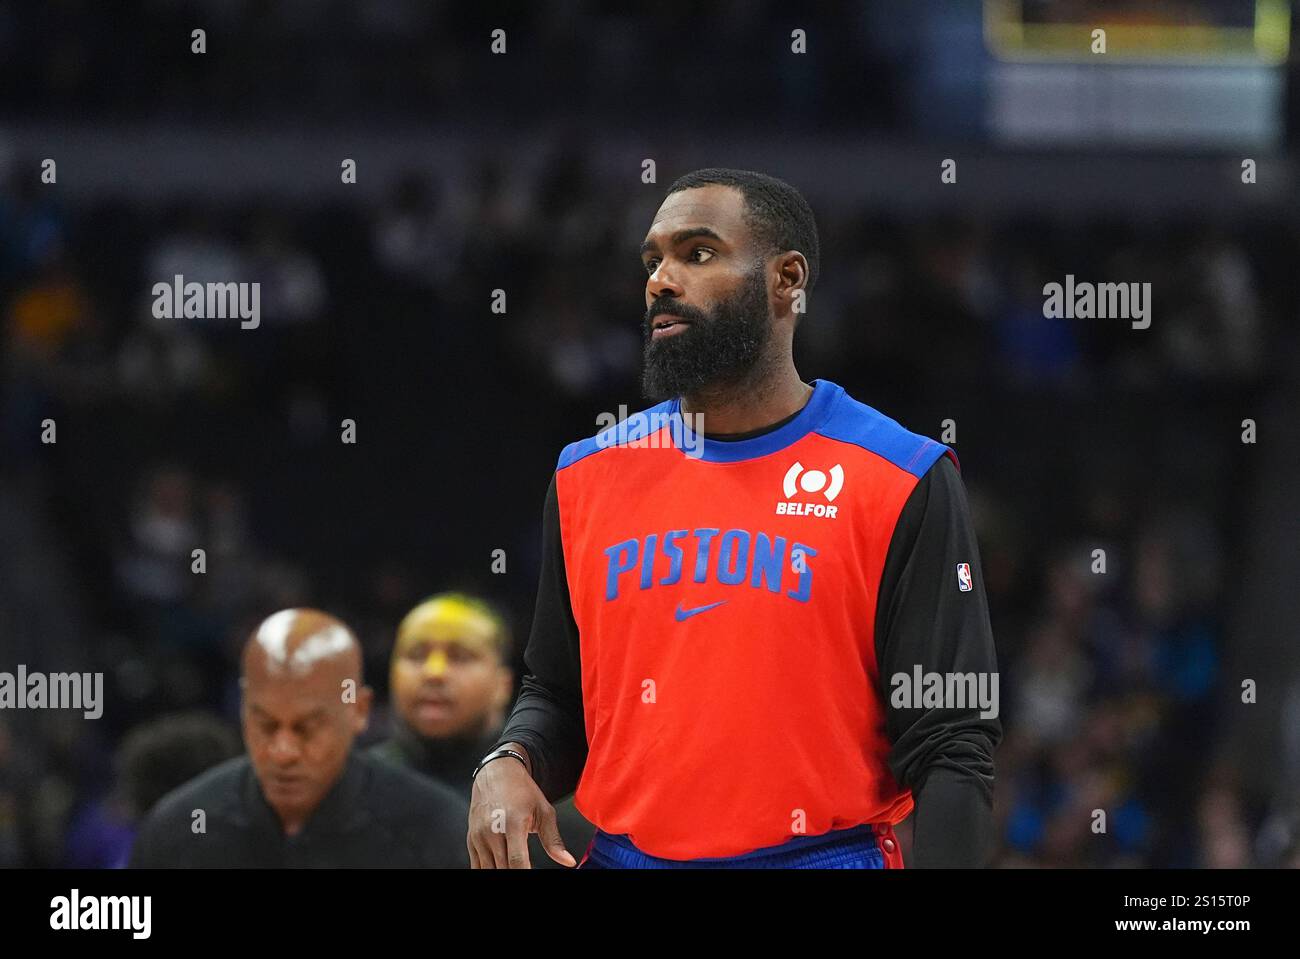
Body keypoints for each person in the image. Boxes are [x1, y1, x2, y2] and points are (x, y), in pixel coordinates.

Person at [467, 168, 1002, 869]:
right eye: (652, 259)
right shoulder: (585, 473)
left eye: (697, 253)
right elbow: (557, 691)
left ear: (786, 279)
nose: (661, 278)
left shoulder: (900, 474)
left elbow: (953, 740)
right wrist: (511, 757)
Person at [129, 608, 468, 867]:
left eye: (307, 728)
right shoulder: (175, 831)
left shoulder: (438, 833)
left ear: (359, 710)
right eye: (266, 725)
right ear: (243, 708)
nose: (283, 752)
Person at [371, 593, 594, 867]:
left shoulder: (556, 809)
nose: (434, 671)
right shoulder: (345, 787)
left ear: (503, 684)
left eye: (460, 657)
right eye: (416, 655)